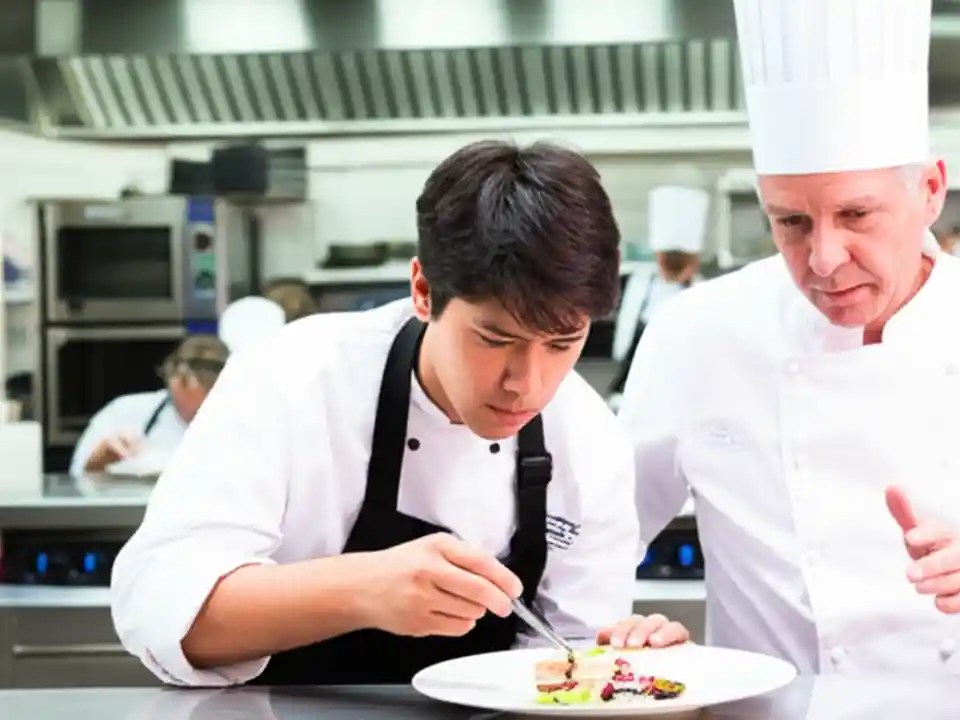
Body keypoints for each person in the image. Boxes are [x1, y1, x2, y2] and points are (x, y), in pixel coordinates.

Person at [613, 0, 960, 672]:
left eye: (856, 214)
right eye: (791, 223)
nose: (824, 259)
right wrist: (622, 633)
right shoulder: (696, 336)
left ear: (930, 189)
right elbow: (596, 533)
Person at [110, 140, 684, 687]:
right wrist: (361, 589)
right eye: (493, 338)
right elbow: (158, 610)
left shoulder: (589, 440)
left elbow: (568, 656)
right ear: (423, 290)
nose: (525, 384)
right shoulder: (295, 377)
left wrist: (626, 666)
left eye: (562, 344)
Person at [69, 298, 284, 477]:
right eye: (180, 406)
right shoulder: (125, 412)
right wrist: (97, 461)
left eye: (202, 408)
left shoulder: (256, 422)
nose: (191, 419)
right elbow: (75, 484)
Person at [608, 186, 711, 410]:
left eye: (679, 259)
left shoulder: (707, 299)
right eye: (669, 258)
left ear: (694, 259)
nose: (673, 265)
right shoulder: (638, 289)